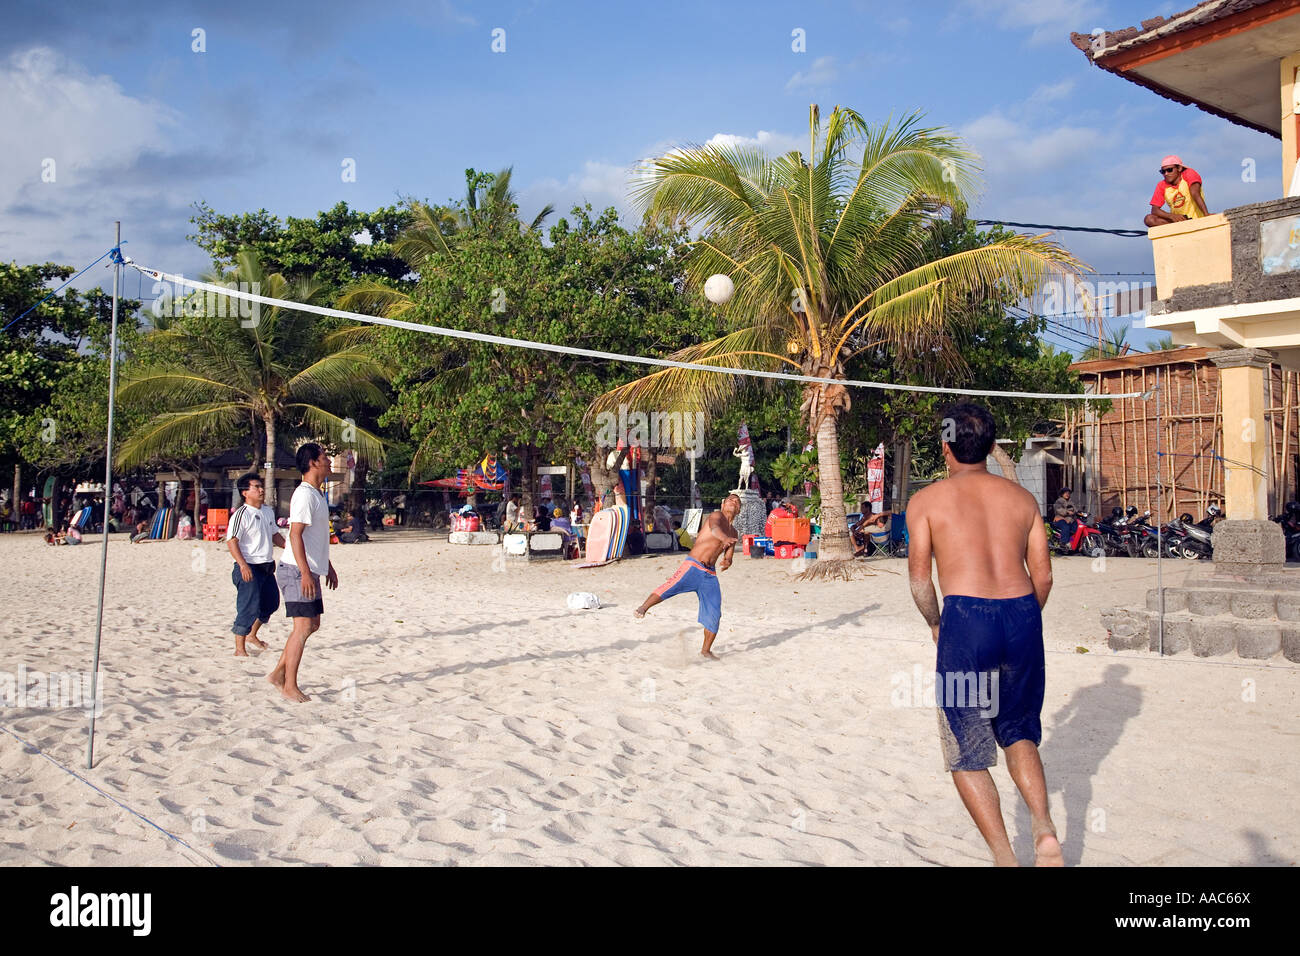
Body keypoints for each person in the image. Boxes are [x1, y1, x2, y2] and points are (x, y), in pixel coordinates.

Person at [906, 402, 1060, 867]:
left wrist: (937, 623)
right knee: (1018, 732)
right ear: (992, 447)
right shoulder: (1022, 501)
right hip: (1021, 614)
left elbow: (919, 581)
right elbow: (1045, 577)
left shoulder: (926, 501)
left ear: (945, 447)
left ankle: (1004, 857)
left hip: (966, 618)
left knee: (967, 749)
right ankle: (1045, 829)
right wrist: (1022, 621)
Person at [634, 493, 741, 660]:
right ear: (723, 504)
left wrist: (727, 561)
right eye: (731, 500)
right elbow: (714, 529)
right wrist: (724, 538)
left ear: (739, 510)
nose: (734, 502)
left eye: (737, 501)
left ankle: (705, 650)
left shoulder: (734, 531)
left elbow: (729, 555)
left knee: (714, 613)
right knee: (670, 586)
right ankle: (643, 607)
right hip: (693, 565)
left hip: (710, 574)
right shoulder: (716, 515)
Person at [269, 443, 338, 703]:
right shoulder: (305, 495)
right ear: (313, 462)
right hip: (296, 572)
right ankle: (289, 685)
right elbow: (294, 535)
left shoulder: (317, 495)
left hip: (308, 570)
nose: (329, 461)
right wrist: (307, 573)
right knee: (303, 626)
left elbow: (315, 539)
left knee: (313, 624)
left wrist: (327, 567)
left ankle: (278, 673)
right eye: (325, 457)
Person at [226, 473, 285, 657]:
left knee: (271, 603)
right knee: (248, 606)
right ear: (245, 492)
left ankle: (252, 635)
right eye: (256, 487)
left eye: (261, 486)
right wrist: (243, 565)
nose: (261, 490)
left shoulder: (267, 511)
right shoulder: (241, 514)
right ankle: (239, 648)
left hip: (266, 566)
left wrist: (290, 548)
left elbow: (275, 534)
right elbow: (232, 541)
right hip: (248, 566)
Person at [1144, 155, 1209, 227]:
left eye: (1169, 170)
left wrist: (1206, 214)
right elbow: (1155, 210)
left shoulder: (1189, 173)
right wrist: (1172, 216)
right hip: (1178, 222)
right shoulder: (1161, 185)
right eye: (1163, 171)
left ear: (1179, 168)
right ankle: (1178, 228)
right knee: (1149, 219)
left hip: (1196, 220)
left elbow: (1195, 193)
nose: (1166, 174)